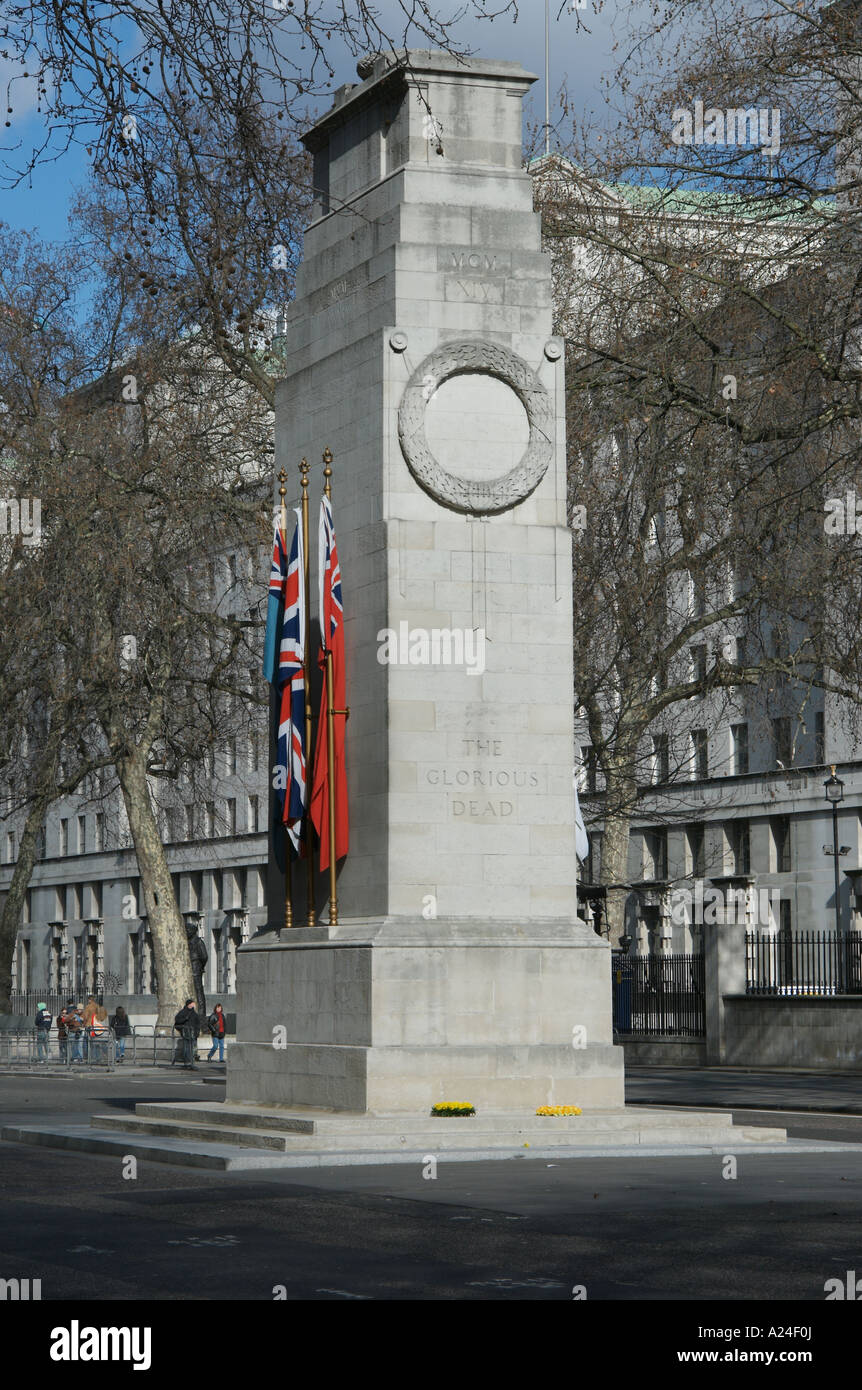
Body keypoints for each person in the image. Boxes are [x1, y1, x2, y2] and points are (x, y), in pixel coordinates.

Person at [173, 999, 200, 1070]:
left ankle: (191, 1062)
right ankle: (187, 1063)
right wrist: (185, 1019)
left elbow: (198, 1023)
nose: (193, 1004)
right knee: (187, 1048)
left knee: (193, 1049)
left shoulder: (194, 1013)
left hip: (193, 1033)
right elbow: (177, 1020)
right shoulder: (183, 1012)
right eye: (192, 1003)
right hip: (186, 1033)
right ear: (189, 1004)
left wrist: (197, 1032)